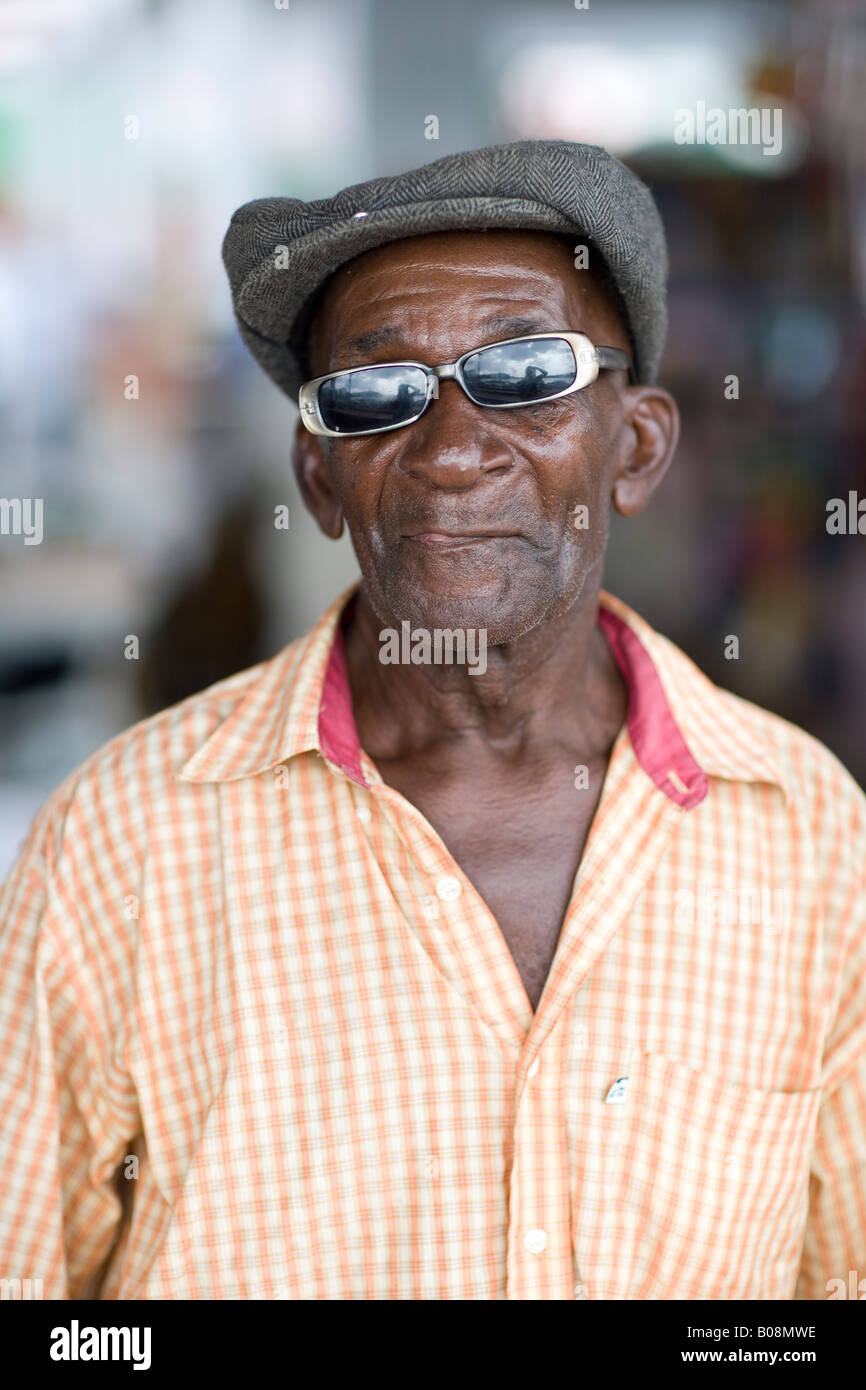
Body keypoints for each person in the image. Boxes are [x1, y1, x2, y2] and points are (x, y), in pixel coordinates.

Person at [1, 141, 864, 1301]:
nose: (453, 452)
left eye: (527, 373)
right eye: (375, 395)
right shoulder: (120, 843)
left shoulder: (810, 841)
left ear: (637, 446)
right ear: (319, 478)